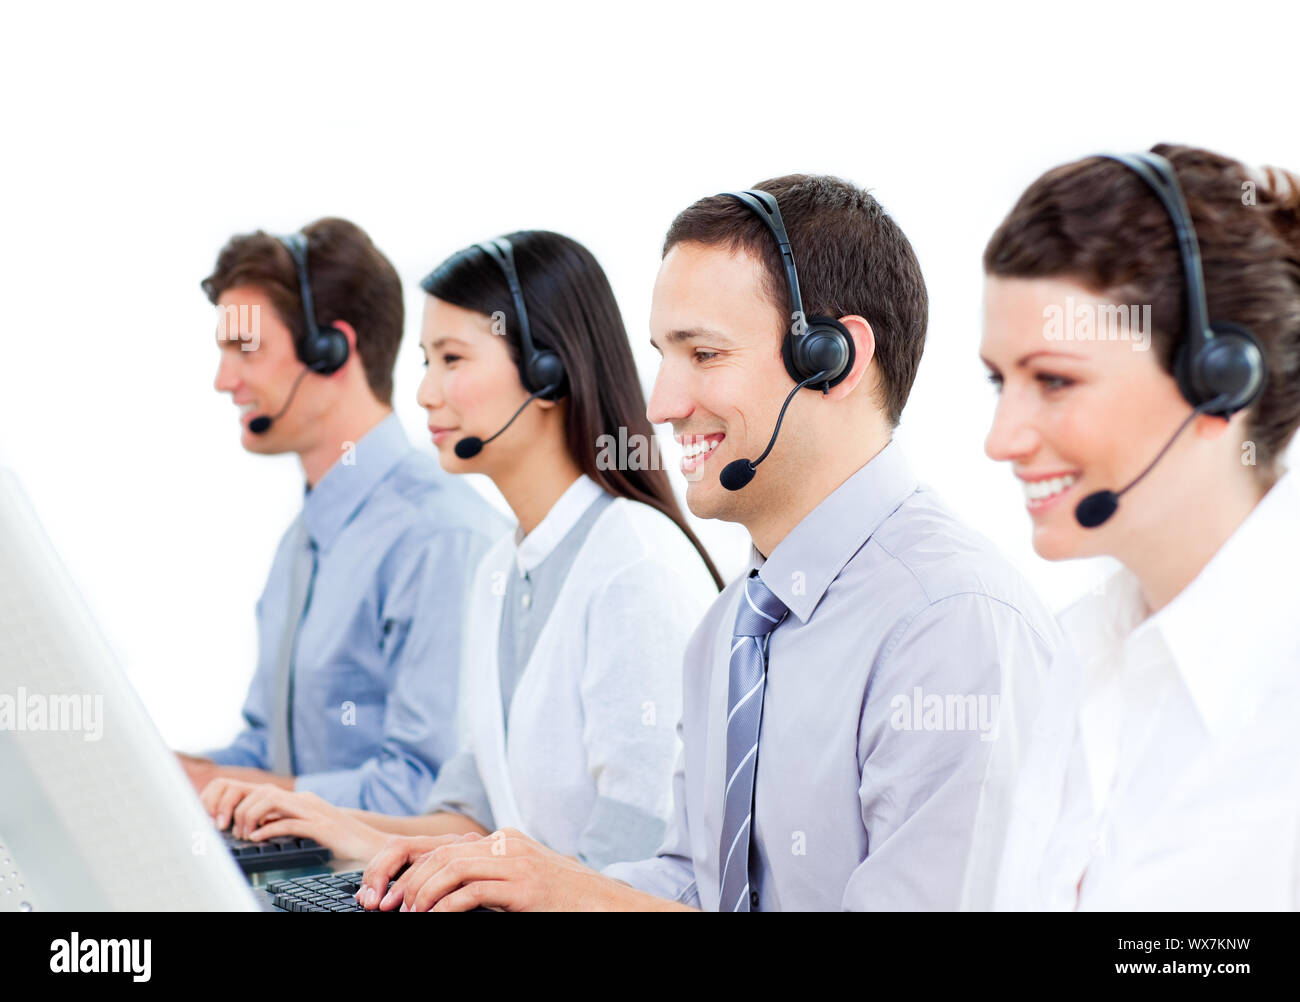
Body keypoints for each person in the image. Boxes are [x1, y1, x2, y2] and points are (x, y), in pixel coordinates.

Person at [349, 174, 1062, 912]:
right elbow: (695, 887)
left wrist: (573, 894)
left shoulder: (949, 624)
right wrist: (512, 883)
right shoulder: (731, 627)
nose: (662, 404)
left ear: (833, 360)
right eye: (663, 354)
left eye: (704, 354)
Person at [199, 231, 723, 876]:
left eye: (452, 358)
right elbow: (471, 820)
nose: (424, 393)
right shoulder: (500, 569)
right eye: (425, 361)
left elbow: (637, 855)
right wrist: (330, 825)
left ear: (546, 372)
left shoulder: (632, 567)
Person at [969, 144, 1300, 910]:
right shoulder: (1078, 656)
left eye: (1053, 380)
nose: (1001, 438)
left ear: (1219, 384)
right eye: (999, 380)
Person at [180, 218, 508, 815]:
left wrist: (223, 790)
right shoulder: (301, 542)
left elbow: (427, 796)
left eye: (245, 349)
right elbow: (273, 757)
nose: (223, 380)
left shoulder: (439, 538)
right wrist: (171, 773)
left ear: (330, 350)